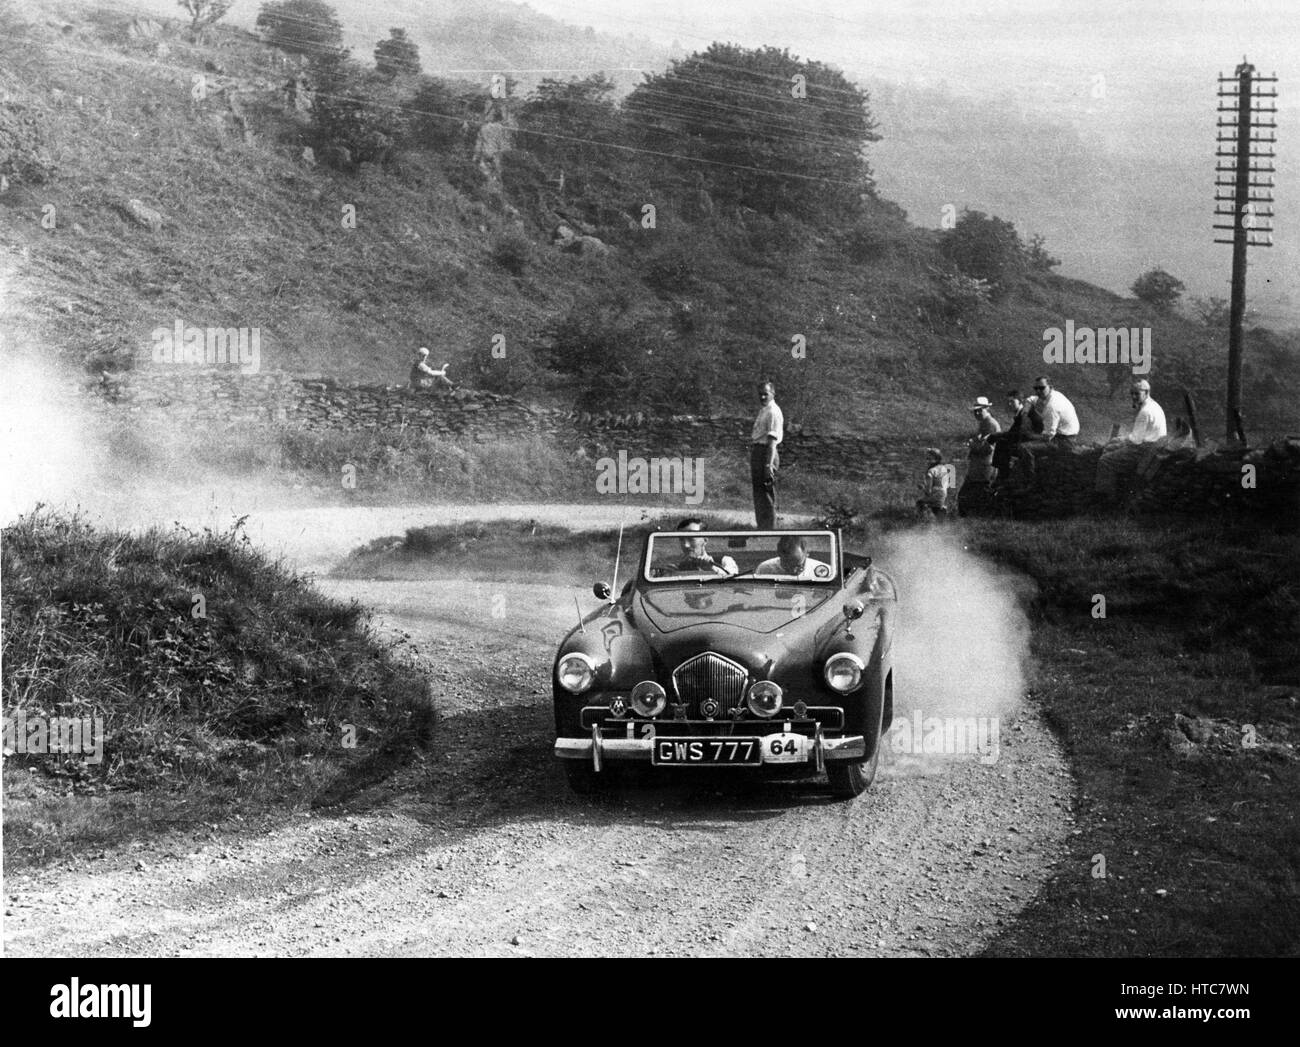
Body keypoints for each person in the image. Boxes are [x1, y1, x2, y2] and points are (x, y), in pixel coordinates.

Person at [1095, 379, 1168, 501]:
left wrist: (1120, 440)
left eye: (1137, 394)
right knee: (1110, 448)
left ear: (1146, 392)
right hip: (1152, 447)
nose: (1134, 396)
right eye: (1132, 393)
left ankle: (1105, 500)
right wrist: (1121, 441)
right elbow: (1138, 436)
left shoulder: (1145, 412)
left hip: (1142, 450)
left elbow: (1136, 440)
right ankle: (1113, 493)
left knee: (1105, 461)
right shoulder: (1155, 406)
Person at [750, 379, 783, 529]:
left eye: (766, 394)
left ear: (773, 393)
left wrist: (768, 464)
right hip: (758, 451)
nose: (762, 397)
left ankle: (770, 529)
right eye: (760, 394)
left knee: (767, 493)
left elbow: (772, 441)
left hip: (767, 453)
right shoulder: (763, 410)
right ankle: (762, 527)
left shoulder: (773, 412)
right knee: (759, 492)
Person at [988, 390, 1039, 480]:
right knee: (1001, 442)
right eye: (1008, 402)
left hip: (1029, 441)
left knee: (1002, 444)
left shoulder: (1024, 414)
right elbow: (1014, 431)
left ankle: (1002, 476)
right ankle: (1000, 475)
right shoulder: (1019, 413)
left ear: (1020, 401)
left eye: (1012, 401)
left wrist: (997, 435)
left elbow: (1019, 433)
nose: (1010, 404)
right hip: (1024, 439)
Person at [1026, 376, 1079, 447]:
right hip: (1061, 433)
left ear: (1050, 387)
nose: (1038, 391)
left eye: (1042, 388)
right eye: (1036, 388)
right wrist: (1025, 412)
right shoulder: (1052, 394)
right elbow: (1032, 399)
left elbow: (1047, 437)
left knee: (1024, 447)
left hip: (1064, 439)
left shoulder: (1051, 406)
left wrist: (1030, 436)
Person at [673, 518, 738, 576]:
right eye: (681, 539)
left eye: (691, 539)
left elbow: (732, 578)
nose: (686, 545)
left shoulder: (725, 561)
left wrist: (710, 569)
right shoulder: (675, 568)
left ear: (705, 539)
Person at [755, 535, 830, 579]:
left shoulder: (825, 571)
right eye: (787, 565)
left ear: (807, 553)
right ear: (779, 554)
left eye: (799, 566)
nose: (793, 571)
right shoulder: (765, 569)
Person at [967, 396, 1002, 482]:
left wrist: (972, 445)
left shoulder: (990, 424)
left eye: (980, 410)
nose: (977, 413)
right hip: (979, 466)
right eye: (975, 411)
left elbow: (988, 448)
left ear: (987, 409)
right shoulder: (983, 423)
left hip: (985, 467)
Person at [915, 448, 953, 516]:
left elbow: (928, 491)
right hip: (943, 494)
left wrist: (922, 488)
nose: (927, 461)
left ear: (937, 459)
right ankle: (941, 511)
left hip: (935, 494)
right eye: (927, 459)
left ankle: (920, 520)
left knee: (919, 503)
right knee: (935, 507)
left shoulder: (931, 471)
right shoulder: (944, 468)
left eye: (929, 459)